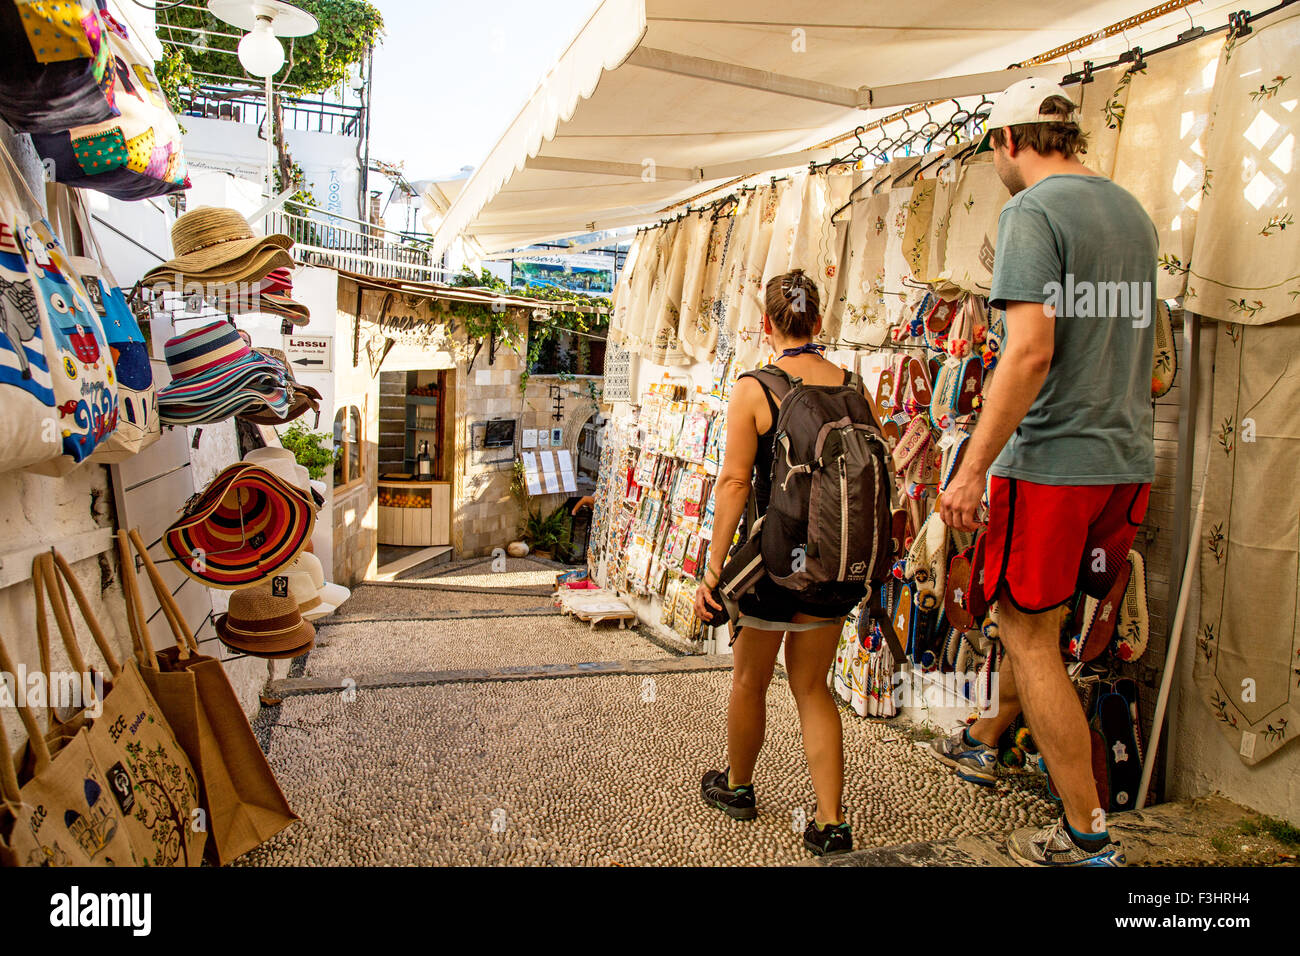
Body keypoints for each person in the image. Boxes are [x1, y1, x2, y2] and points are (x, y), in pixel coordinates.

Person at [932, 78, 1157, 867]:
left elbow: (1029, 351)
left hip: (1054, 459)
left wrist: (969, 468)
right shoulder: (1131, 212)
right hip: (1123, 460)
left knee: (1028, 637)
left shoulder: (1031, 211)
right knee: (1046, 630)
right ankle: (991, 738)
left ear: (1005, 141)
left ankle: (1087, 836)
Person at [694, 270, 867, 857]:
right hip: (830, 566)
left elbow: (736, 482)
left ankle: (739, 787)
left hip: (769, 566)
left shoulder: (754, 388)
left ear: (766, 325)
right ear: (819, 322)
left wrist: (714, 569)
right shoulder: (851, 385)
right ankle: (831, 822)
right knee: (814, 689)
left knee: (750, 680)